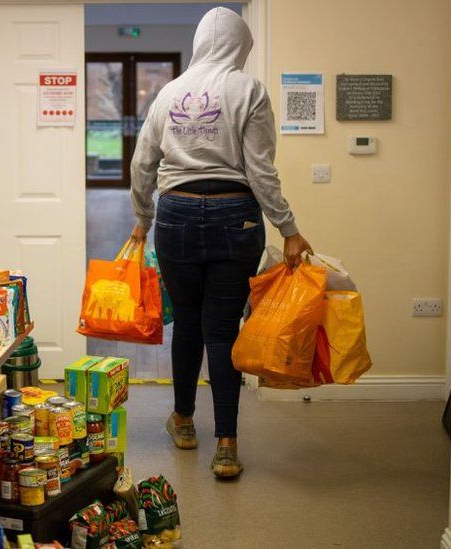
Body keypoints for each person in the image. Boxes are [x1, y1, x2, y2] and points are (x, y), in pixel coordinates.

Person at [129, 7, 313, 479]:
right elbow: (261, 170)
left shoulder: (168, 93)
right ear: (239, 44)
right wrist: (288, 228)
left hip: (177, 214)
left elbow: (142, 164)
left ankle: (184, 422)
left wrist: (141, 219)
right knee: (223, 329)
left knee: (187, 323)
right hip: (237, 217)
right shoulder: (248, 89)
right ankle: (227, 444)